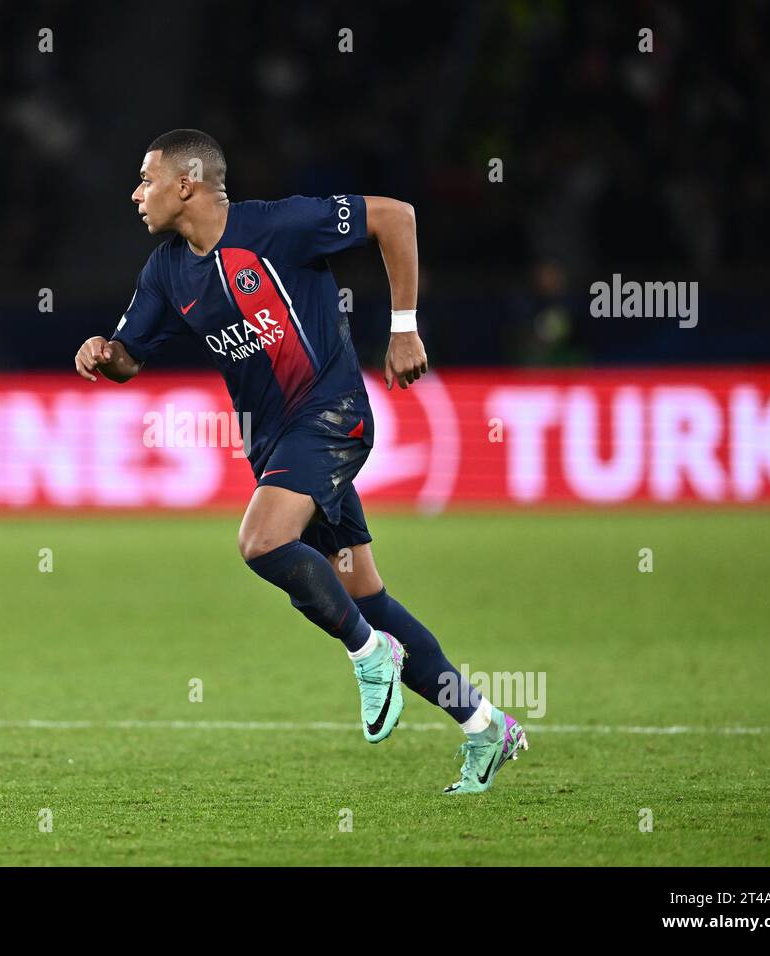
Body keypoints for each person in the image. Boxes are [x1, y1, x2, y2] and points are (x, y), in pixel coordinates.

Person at [74, 130, 526, 793]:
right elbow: (127, 357)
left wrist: (404, 328)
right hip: (277, 444)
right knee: (365, 595)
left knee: (261, 542)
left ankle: (370, 656)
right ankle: (486, 725)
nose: (135, 194)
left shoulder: (279, 225)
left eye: (146, 180)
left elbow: (395, 217)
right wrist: (99, 355)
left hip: (333, 415)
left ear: (186, 183)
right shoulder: (167, 273)